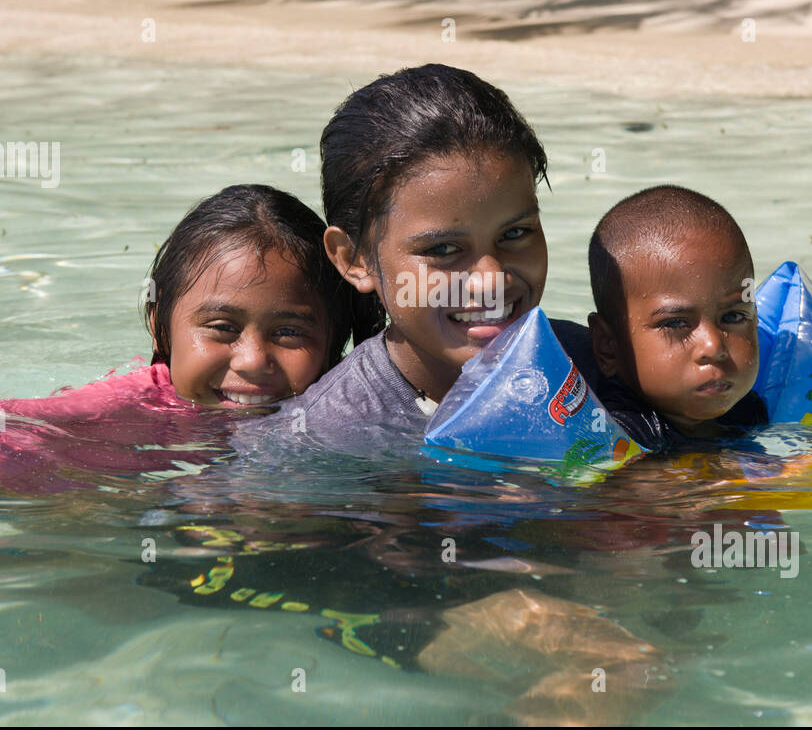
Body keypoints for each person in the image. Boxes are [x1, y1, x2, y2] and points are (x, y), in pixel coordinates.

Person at [0, 184, 353, 496]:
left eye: (289, 332)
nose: (253, 359)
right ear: (160, 328)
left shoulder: (336, 409)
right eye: (221, 328)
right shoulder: (133, 406)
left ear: (335, 341)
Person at [269, 63, 586, 457]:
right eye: (441, 250)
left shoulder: (598, 366)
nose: (491, 280)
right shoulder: (323, 441)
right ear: (354, 259)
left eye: (514, 234)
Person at [583, 184, 769, 453]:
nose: (714, 347)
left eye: (733, 316)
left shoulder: (746, 410)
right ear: (608, 348)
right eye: (675, 323)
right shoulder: (621, 431)